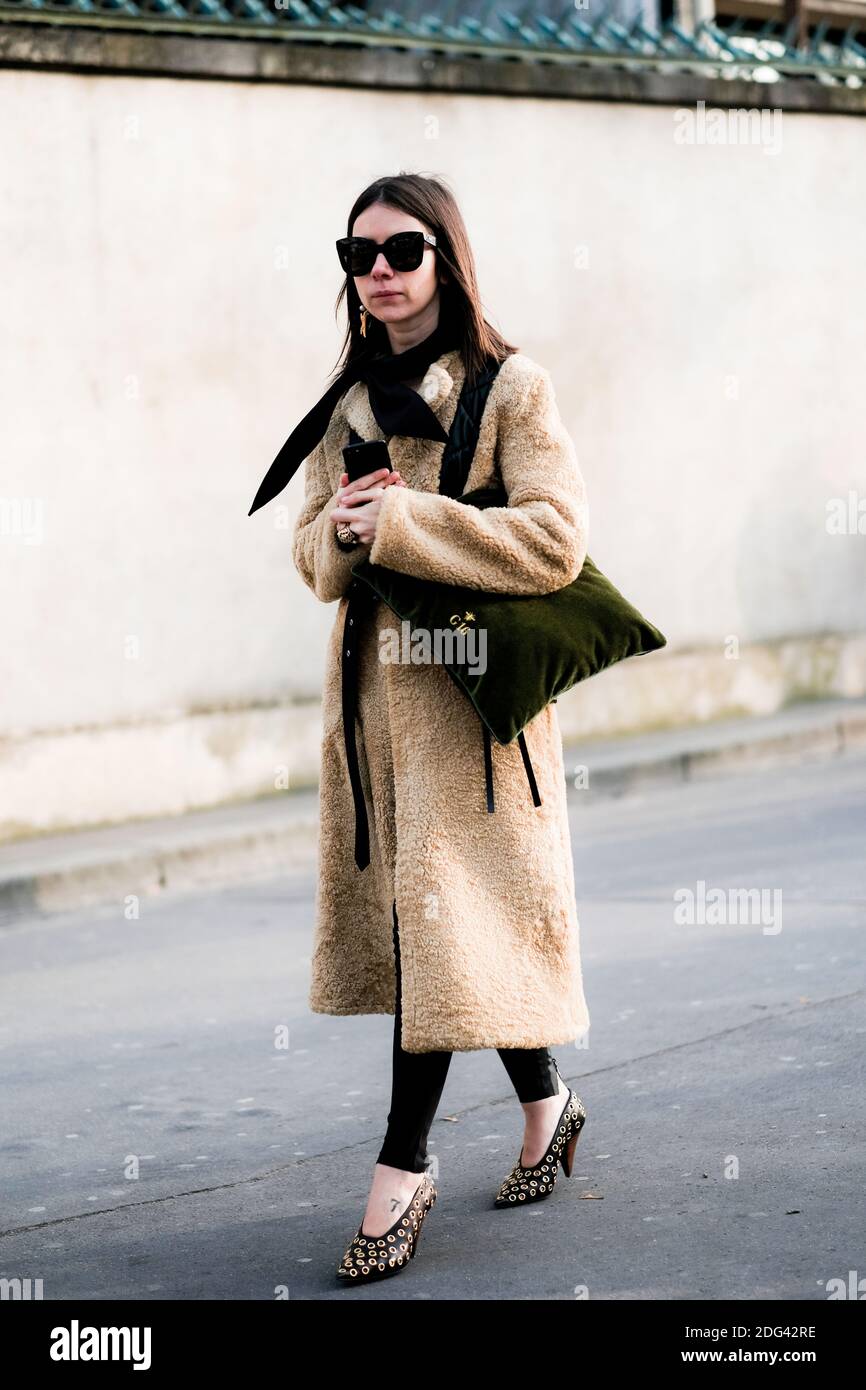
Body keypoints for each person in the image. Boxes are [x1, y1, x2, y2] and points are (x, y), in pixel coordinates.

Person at [263, 173, 591, 1283]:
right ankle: (549, 1104)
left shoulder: (510, 389)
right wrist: (345, 532)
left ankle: (400, 1171)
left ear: (445, 257)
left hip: (473, 722)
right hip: (373, 719)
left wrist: (405, 518)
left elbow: (555, 540)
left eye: (402, 249)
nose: (380, 271)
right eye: (357, 254)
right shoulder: (347, 403)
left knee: (437, 932)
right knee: (451, 933)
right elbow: (310, 557)